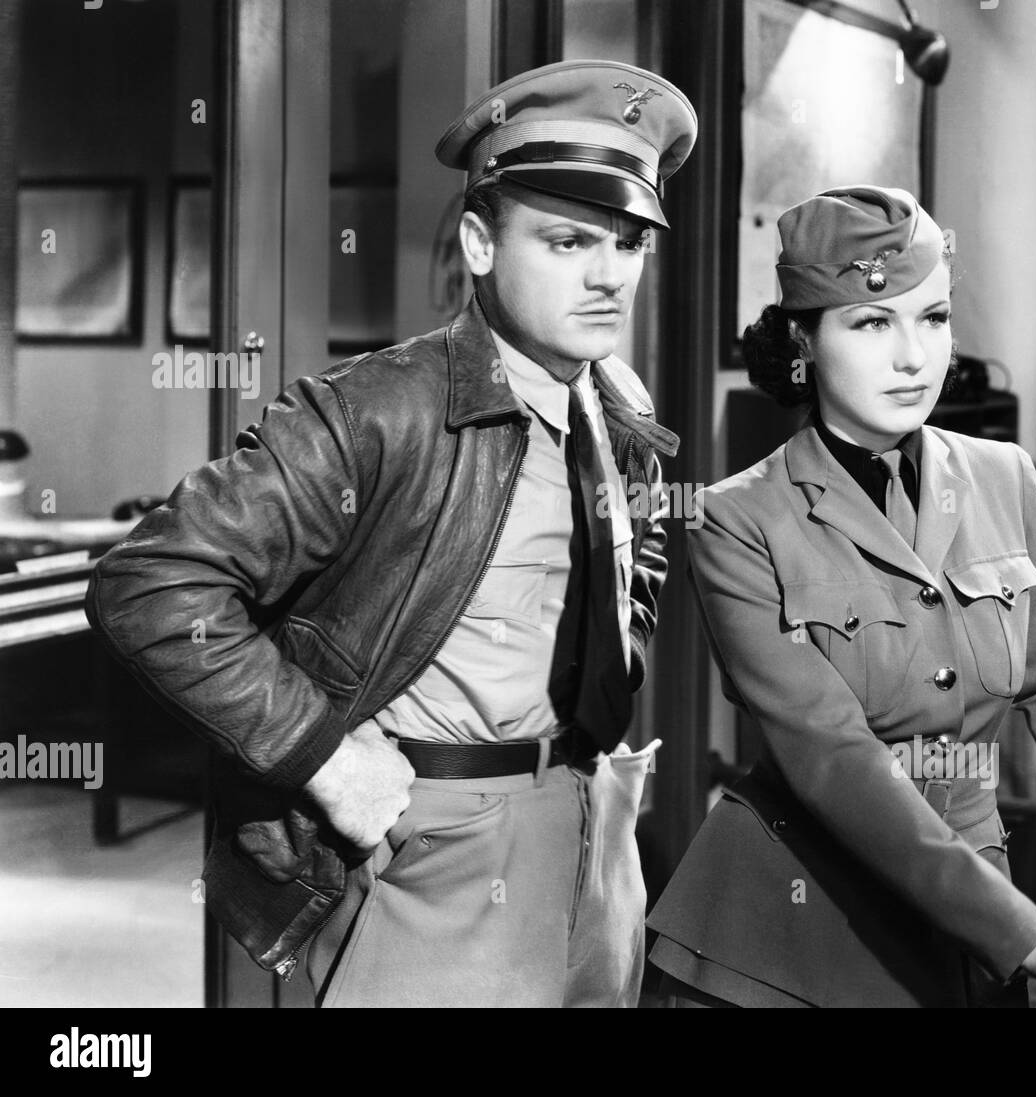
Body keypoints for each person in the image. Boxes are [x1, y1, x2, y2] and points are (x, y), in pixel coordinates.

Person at [86, 59, 696, 1007]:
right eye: (570, 241)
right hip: (436, 846)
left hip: (597, 837)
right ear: (480, 245)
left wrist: (618, 665)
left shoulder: (617, 403)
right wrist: (324, 758)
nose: (609, 274)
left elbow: (636, 561)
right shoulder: (378, 410)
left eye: (629, 244)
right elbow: (152, 583)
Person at [646, 185, 1036, 1008]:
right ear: (804, 340)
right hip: (784, 952)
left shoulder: (1002, 474)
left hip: (965, 932)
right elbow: (835, 759)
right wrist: (1029, 931)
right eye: (872, 323)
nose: (914, 357)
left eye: (933, 318)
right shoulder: (736, 517)